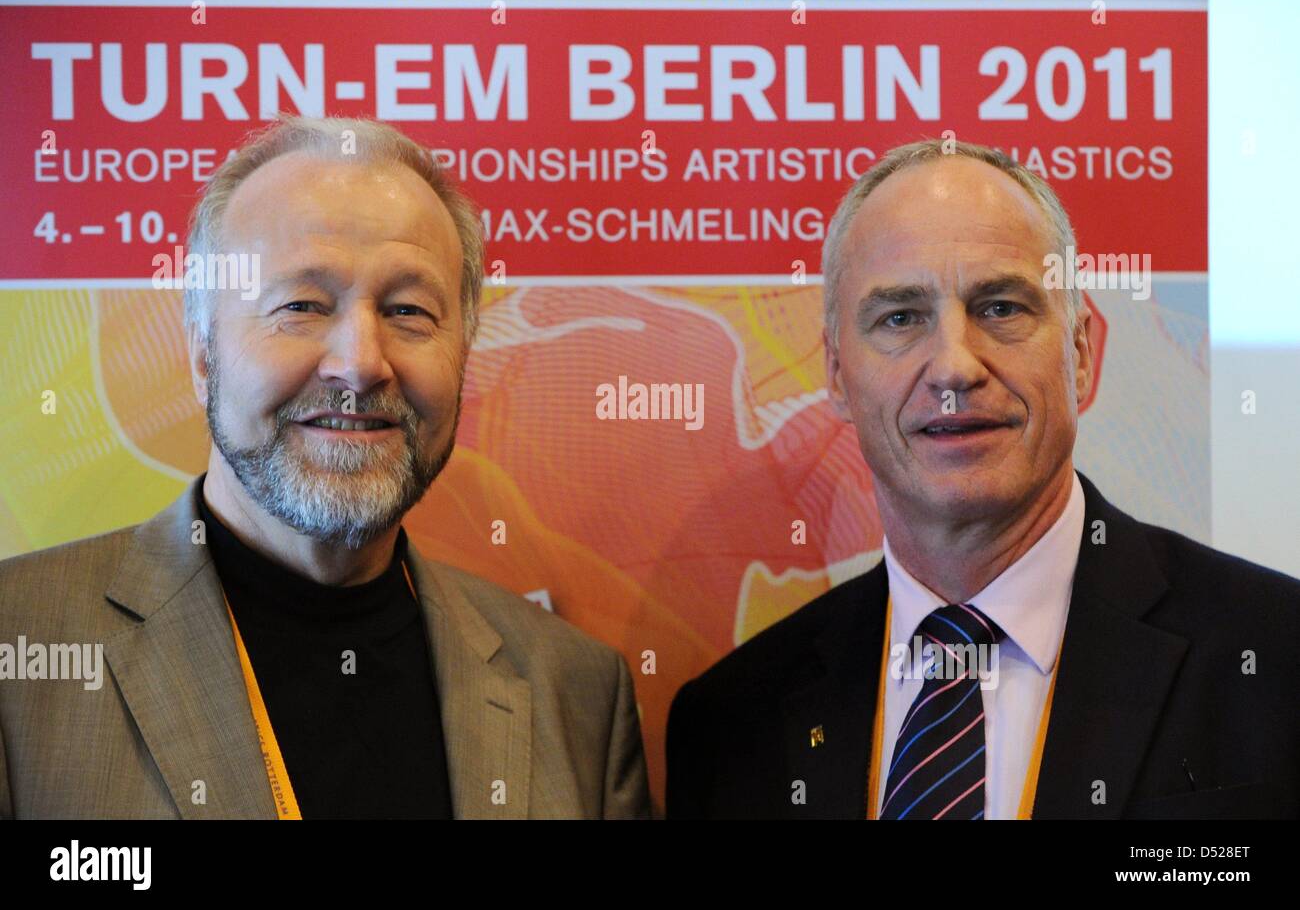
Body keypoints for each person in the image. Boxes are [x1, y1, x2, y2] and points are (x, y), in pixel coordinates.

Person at [0, 115, 651, 819]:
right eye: (301, 306)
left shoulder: (577, 692)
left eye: (408, 311)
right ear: (201, 354)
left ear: (464, 353)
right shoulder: (21, 648)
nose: (360, 364)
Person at [666, 139, 1299, 819]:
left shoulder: (1277, 656)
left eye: (1000, 307)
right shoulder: (730, 723)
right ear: (837, 375)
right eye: (900, 318)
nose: (954, 367)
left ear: (1081, 353)